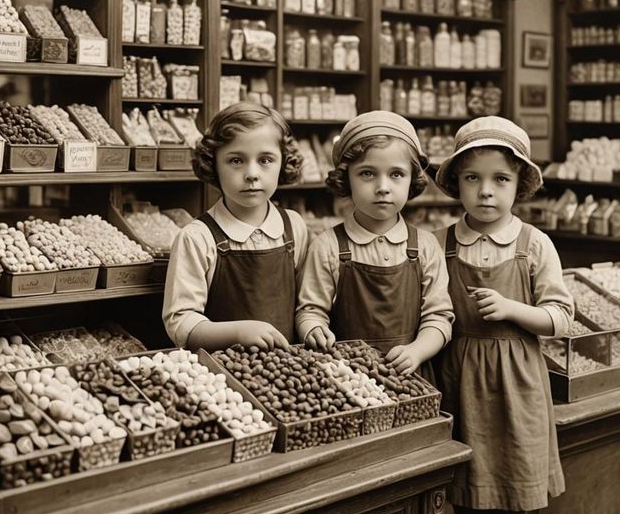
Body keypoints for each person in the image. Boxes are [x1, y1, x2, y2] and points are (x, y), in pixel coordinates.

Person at [433, 118, 573, 514]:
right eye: (472, 178)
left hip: (518, 389)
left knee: (514, 511)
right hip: (461, 385)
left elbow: (562, 319)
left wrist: (513, 308)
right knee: (469, 510)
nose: (486, 190)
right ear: (457, 182)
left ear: (520, 184)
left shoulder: (533, 243)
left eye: (500, 179)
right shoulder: (439, 244)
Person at [297, 112, 452, 374]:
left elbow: (439, 317)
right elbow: (310, 310)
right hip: (346, 376)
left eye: (396, 174)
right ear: (346, 179)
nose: (383, 187)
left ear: (412, 180)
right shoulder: (328, 246)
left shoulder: (425, 246)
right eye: (367, 174)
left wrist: (417, 350)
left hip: (411, 376)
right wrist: (314, 329)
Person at [164, 104, 309, 348]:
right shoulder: (197, 237)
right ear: (213, 164)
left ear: (284, 163)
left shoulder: (294, 227)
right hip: (219, 375)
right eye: (236, 160)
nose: (251, 173)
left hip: (287, 373)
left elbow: (307, 303)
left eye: (265, 160)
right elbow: (180, 322)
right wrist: (238, 332)